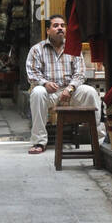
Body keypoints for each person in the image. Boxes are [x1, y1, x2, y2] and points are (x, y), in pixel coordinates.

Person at [26, 13, 105, 154]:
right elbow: (32, 73)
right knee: (37, 93)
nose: (60, 28)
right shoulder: (37, 50)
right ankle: (39, 141)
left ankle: (98, 140)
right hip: (48, 93)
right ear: (48, 30)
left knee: (91, 92)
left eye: (62, 25)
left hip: (70, 91)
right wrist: (44, 84)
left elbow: (80, 73)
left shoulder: (73, 48)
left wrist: (70, 88)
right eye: (55, 26)